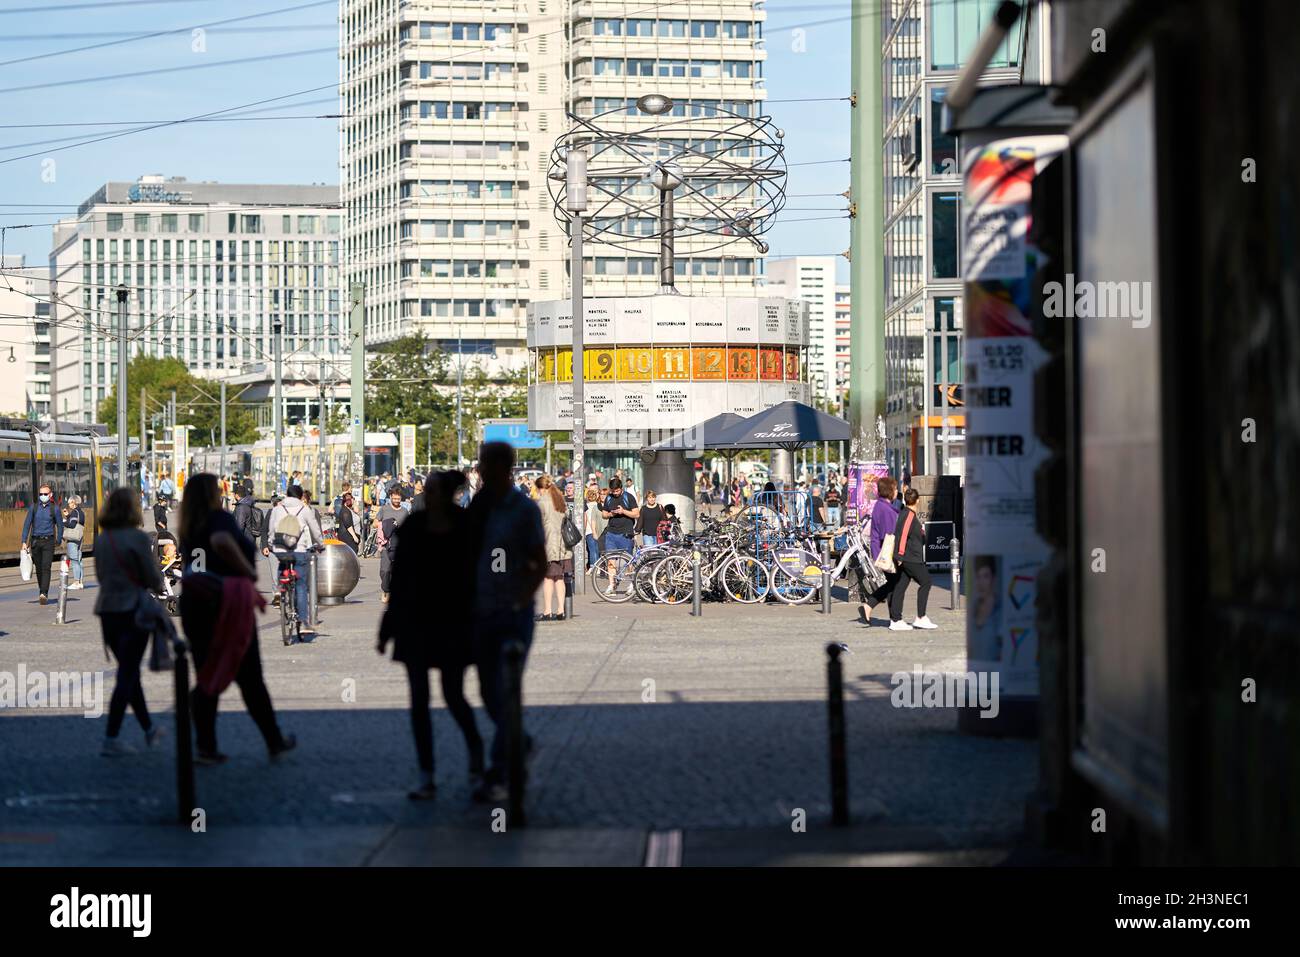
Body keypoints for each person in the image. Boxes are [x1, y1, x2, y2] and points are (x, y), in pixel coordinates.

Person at [379, 470, 485, 799]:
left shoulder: (465, 525)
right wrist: (387, 628)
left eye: (433, 490)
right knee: (419, 702)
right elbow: (400, 582)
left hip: (452, 623)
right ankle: (427, 772)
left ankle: (476, 758)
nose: (429, 495)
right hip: (417, 624)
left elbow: (478, 576)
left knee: (453, 696)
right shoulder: (415, 525)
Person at [180, 473, 296, 764]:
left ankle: (206, 746)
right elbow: (221, 541)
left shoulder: (189, 523)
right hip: (225, 603)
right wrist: (246, 568)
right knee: (250, 676)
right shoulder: (217, 519)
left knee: (208, 673)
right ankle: (273, 739)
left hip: (197, 604)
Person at [467, 441, 546, 802]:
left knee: (507, 689)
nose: (481, 470)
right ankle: (521, 741)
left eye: (486, 464)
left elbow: (538, 562)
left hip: (513, 614)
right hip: (481, 612)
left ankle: (500, 770)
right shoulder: (478, 507)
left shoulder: (523, 509)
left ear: (504, 468)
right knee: (487, 690)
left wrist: (519, 600)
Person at [93, 487, 167, 757]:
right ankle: (111, 738)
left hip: (107, 612)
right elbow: (151, 576)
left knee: (128, 671)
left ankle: (149, 730)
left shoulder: (102, 541)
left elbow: (101, 576)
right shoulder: (137, 538)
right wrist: (157, 583)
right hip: (133, 611)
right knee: (127, 674)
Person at [264, 484, 324, 639]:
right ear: (299, 496)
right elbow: (315, 530)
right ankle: (303, 622)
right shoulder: (304, 509)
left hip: (281, 548)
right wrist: (321, 544)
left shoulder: (277, 509)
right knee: (301, 585)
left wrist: (271, 543)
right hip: (299, 549)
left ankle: (279, 589)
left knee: (282, 565)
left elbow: (271, 530)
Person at [887, 487, 937, 631]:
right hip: (910, 557)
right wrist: (900, 555)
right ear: (918, 500)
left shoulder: (905, 513)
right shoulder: (908, 515)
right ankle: (921, 617)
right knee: (926, 581)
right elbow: (902, 535)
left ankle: (895, 619)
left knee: (901, 585)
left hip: (907, 556)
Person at [859, 475, 902, 624]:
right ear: (890, 490)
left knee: (892, 583)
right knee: (895, 583)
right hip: (887, 553)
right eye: (895, 488)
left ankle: (877, 610)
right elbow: (890, 534)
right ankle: (892, 617)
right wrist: (899, 555)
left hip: (880, 551)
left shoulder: (882, 505)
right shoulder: (886, 509)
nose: (897, 491)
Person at [534, 474, 571, 622]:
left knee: (548, 578)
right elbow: (566, 518)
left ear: (542, 488)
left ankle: (548, 611)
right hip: (563, 545)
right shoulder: (560, 499)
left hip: (549, 544)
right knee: (560, 578)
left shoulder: (542, 502)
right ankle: (561, 610)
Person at [20, 483, 63, 604]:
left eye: (45, 494)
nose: (43, 496)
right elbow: (27, 524)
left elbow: (60, 525)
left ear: (50, 495)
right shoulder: (33, 507)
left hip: (48, 541)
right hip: (35, 541)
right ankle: (41, 590)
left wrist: (58, 540)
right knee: (38, 568)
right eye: (41, 494)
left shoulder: (54, 508)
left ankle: (44, 593)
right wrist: (24, 541)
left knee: (46, 567)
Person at [375, 485, 407, 603]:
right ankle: (385, 590)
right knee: (385, 570)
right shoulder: (384, 509)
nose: (396, 501)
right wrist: (386, 525)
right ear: (390, 497)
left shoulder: (405, 511)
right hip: (385, 545)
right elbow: (375, 523)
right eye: (394, 499)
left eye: (398, 499)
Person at [62, 495, 86, 589]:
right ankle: (80, 582)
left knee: (74, 560)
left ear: (74, 502)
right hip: (79, 537)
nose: (69, 504)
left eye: (70, 503)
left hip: (73, 539)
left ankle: (76, 582)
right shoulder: (81, 512)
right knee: (79, 560)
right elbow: (77, 523)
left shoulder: (75, 512)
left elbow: (71, 525)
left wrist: (63, 521)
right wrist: (68, 515)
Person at [582, 486, 605, 568]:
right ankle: (599, 567)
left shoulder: (586, 507)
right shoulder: (598, 506)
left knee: (592, 550)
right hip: (598, 530)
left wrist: (583, 531)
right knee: (598, 550)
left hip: (589, 531)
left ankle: (593, 567)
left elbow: (585, 519)